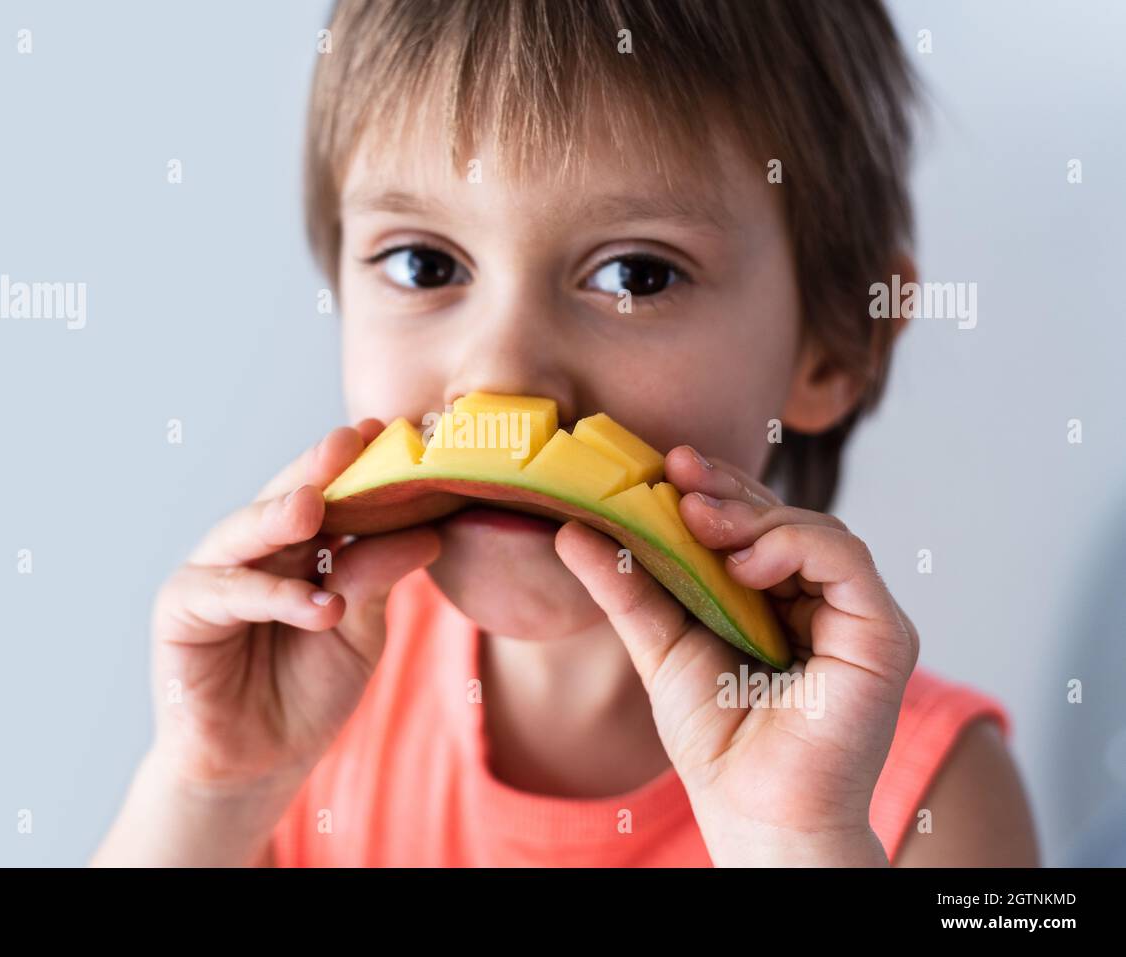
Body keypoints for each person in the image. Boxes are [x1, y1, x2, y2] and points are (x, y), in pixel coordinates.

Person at [94, 0, 1039, 867]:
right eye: (425, 263)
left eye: (634, 275)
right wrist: (213, 794)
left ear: (835, 348)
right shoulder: (305, 700)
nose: (502, 379)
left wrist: (791, 840)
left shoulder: (927, 797)